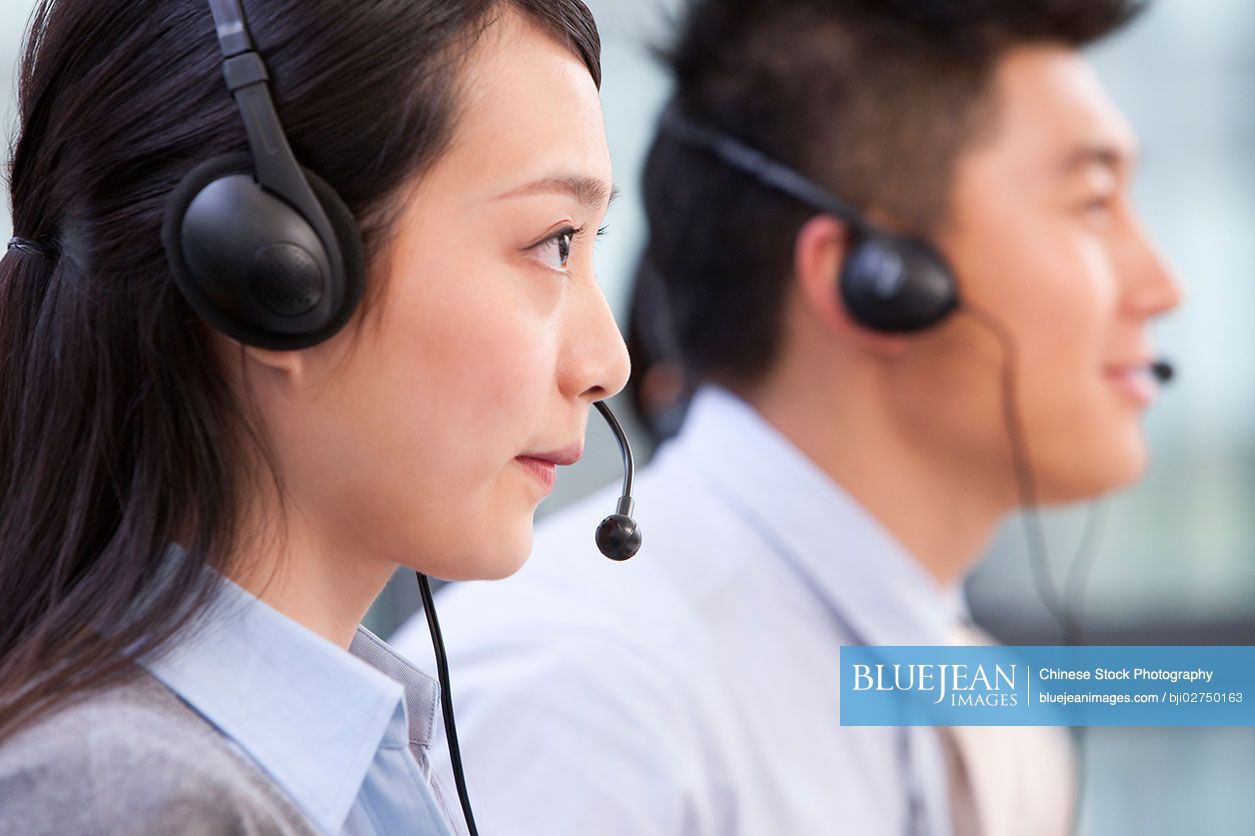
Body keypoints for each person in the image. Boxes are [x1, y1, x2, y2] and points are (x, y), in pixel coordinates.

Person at [392, 0, 1182, 834]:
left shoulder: (996, 719)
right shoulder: (580, 701)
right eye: (1093, 204)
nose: (1162, 286)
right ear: (876, 277)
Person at [0, 0, 626, 834]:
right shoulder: (131, 801)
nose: (606, 363)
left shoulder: (351, 761)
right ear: (274, 269)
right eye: (554, 241)